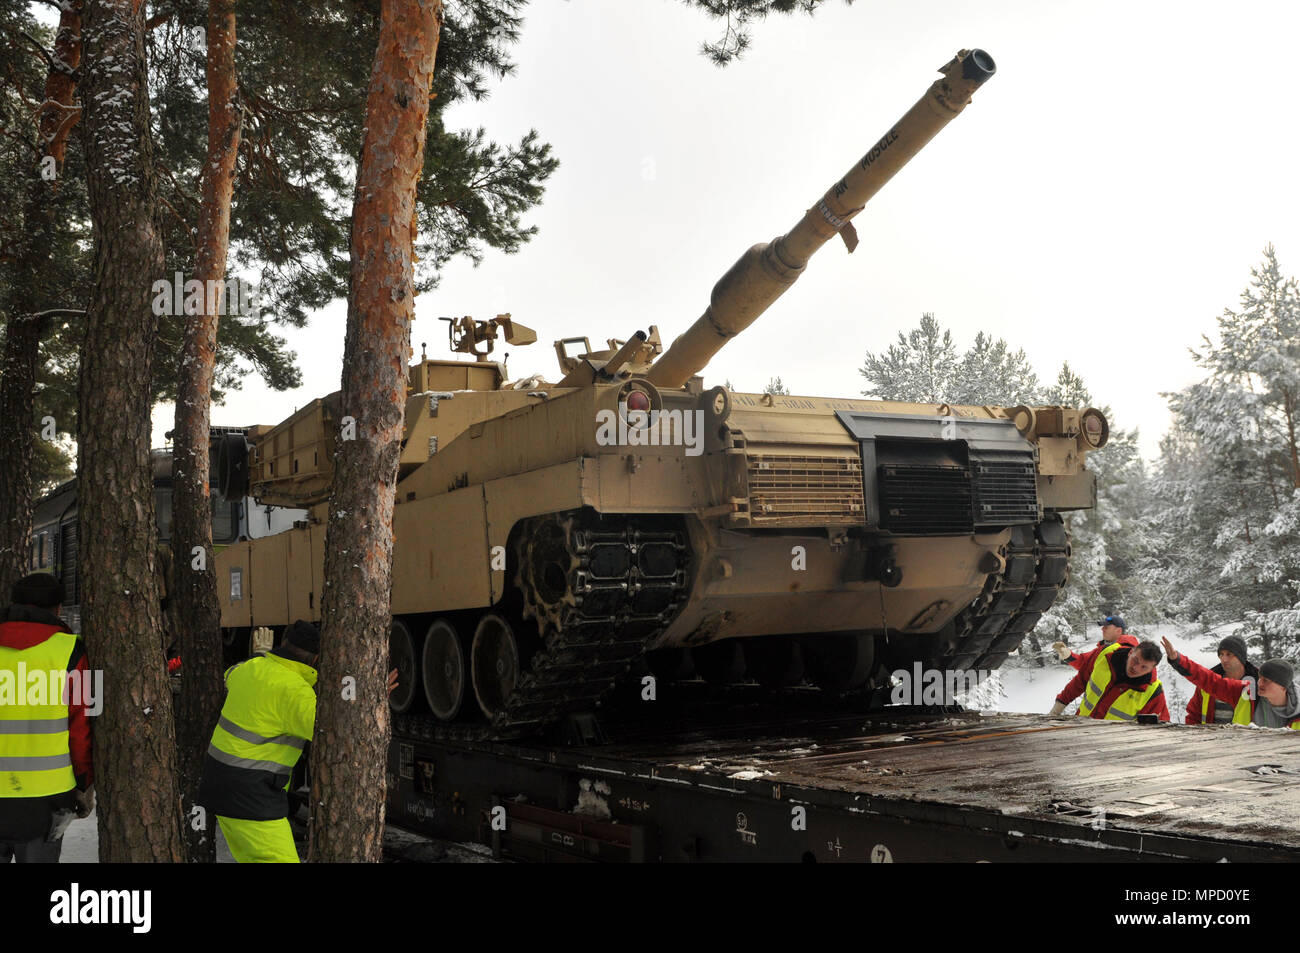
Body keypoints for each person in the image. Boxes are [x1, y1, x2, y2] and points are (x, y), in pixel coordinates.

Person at [197, 620, 397, 862]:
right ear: (315, 661)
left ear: (283, 644)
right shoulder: (297, 693)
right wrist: (373, 701)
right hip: (252, 799)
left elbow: (231, 674)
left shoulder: (250, 669)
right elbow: (340, 735)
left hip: (219, 787)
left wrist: (259, 656)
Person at [0, 574, 94, 863]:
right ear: (57, 610)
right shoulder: (74, 650)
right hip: (48, 801)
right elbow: (85, 726)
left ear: (13, 604)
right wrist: (85, 782)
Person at [1161, 636, 1300, 730]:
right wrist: (1178, 660)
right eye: (1260, 678)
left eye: (1266, 680)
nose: (1259, 683)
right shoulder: (1247, 691)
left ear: (1283, 686)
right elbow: (1209, 680)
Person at [1049, 638, 1170, 722]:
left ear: (1152, 669)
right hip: (1079, 726)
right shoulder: (1105, 654)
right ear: (1131, 652)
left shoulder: (1153, 693)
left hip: (1111, 748)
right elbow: (1081, 680)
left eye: (1144, 667)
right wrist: (1059, 705)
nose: (1136, 668)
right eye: (1136, 660)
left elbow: (1159, 729)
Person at [1184, 635, 1259, 725]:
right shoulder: (1208, 680)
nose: (1224, 659)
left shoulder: (1257, 681)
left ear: (1240, 656)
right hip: (1209, 737)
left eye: (1229, 654)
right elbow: (1194, 714)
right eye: (1221, 654)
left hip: (1245, 738)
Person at [1052, 614, 1138, 671]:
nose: (1102, 629)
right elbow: (1084, 663)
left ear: (1118, 630)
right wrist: (1068, 655)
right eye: (1103, 626)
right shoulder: (1104, 648)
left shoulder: (1127, 652)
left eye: (1106, 627)